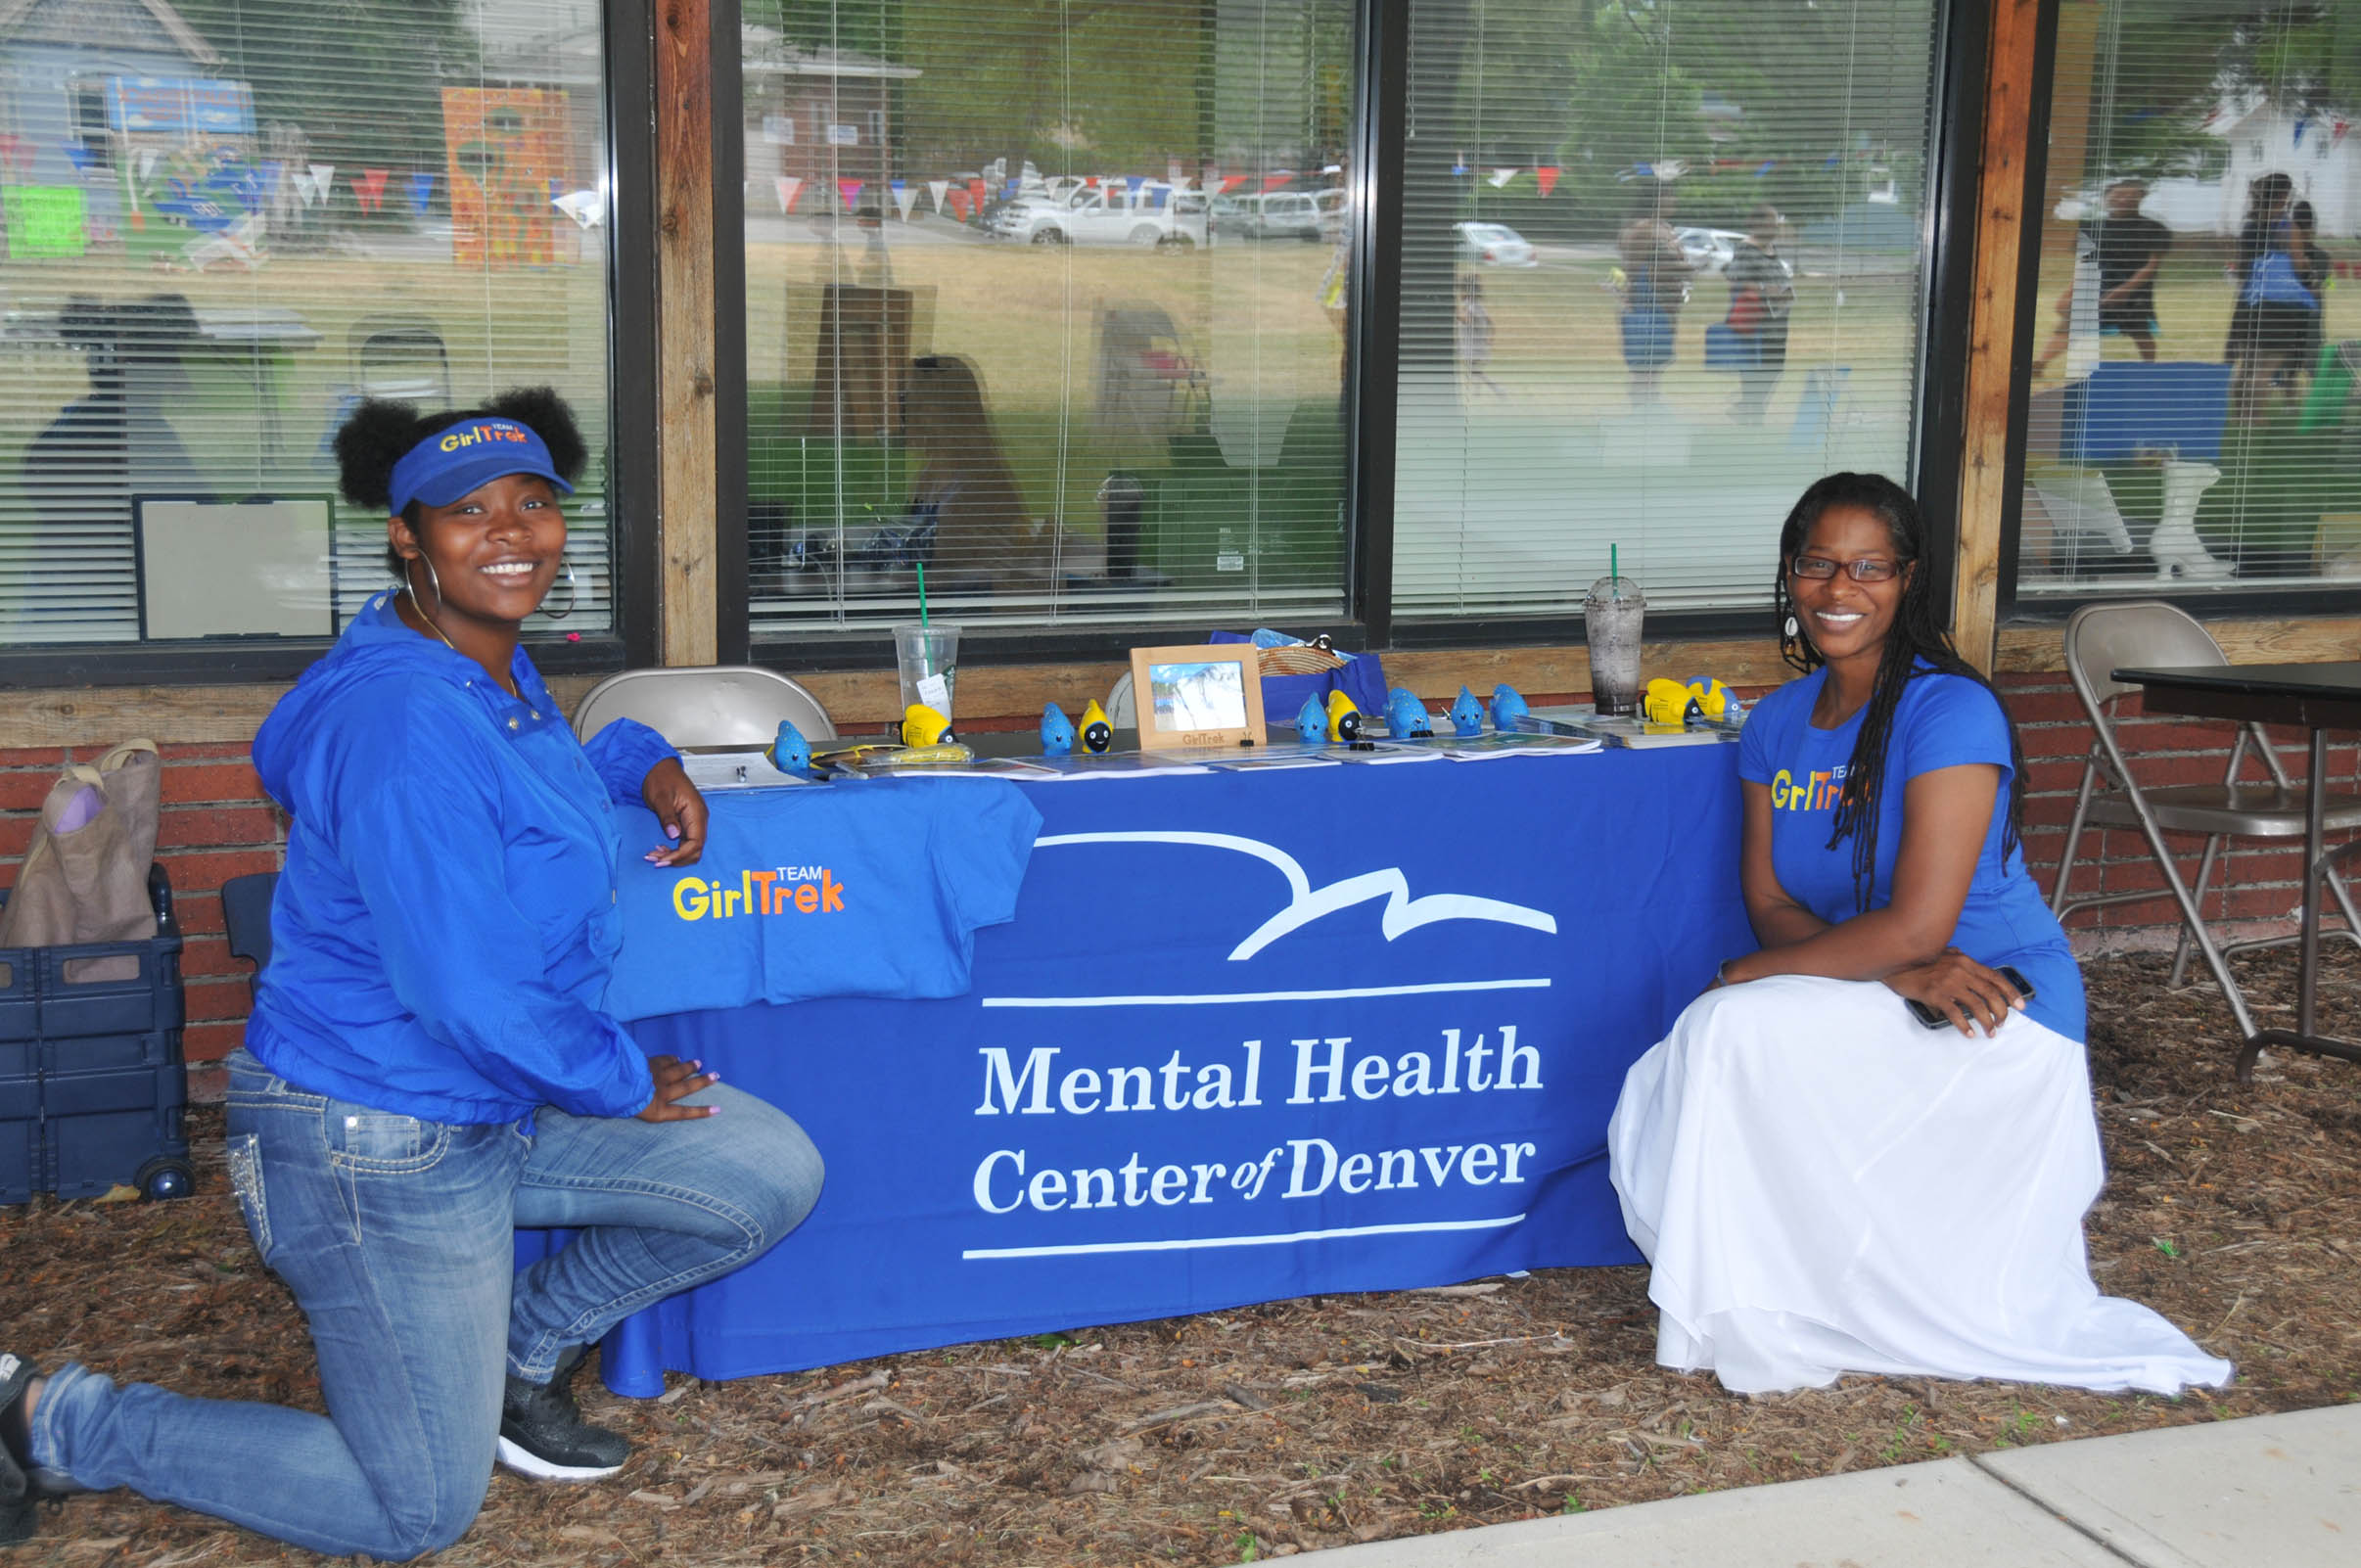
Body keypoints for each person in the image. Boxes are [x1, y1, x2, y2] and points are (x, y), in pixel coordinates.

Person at [0, 390, 825, 1557]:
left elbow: (531, 776)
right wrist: (616, 1078)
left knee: (767, 1172)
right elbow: (469, 991)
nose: (509, 533)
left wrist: (642, 762)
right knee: (412, 1511)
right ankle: (52, 1420)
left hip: (494, 1098)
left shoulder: (471, 659)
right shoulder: (400, 718)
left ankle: (517, 1346)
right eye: (465, 511)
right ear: (407, 533)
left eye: (532, 505)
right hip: (371, 1137)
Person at [1606, 472, 2232, 1398]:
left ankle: (1756, 1308)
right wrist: (1880, 975)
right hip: (1907, 987)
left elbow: (1923, 923)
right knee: (1718, 1036)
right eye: (1818, 563)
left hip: (1998, 1004)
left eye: (1869, 567)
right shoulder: (1776, 722)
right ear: (1791, 573)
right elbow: (1775, 902)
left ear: (1908, 580)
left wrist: (1757, 972)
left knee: (1728, 1024)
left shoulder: (1950, 709)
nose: (1839, 588)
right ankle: (1758, 1300)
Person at [869, 352, 1051, 600]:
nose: (899, 414)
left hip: (971, 606)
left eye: (906, 401)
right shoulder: (931, 474)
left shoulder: (973, 488)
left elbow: (935, 564)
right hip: (942, 595)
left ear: (933, 414)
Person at [2032, 180, 2171, 374]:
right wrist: (2070, 292)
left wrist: (2124, 291)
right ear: (2106, 199)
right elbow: (2085, 264)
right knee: (2070, 323)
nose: (2123, 199)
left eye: (2131, 196)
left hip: (2134, 290)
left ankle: (2149, 367)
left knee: (2139, 329)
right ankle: (2040, 364)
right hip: (2097, 286)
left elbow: (2152, 265)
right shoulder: (2091, 229)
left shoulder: (2154, 228)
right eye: (2118, 195)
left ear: (2140, 199)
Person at [2224, 171, 2303, 422]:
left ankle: (2240, 418)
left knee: (2247, 365)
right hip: (2278, 305)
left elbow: (2241, 265)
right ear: (2283, 195)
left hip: (2249, 300)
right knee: (2266, 369)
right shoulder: (2286, 227)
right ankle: (2256, 421)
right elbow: (2299, 264)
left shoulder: (2249, 226)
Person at [1616, 188, 1691, 404]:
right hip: (1649, 302)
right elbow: (1633, 267)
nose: (1673, 199)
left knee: (1658, 357)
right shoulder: (1643, 230)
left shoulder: (1667, 229)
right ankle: (1641, 403)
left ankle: (1652, 399)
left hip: (1669, 301)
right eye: (1667, 195)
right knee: (1644, 358)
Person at [1723, 206, 1794, 423]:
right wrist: (1765, 289)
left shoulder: (1771, 247)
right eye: (1773, 224)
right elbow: (1735, 278)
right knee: (1756, 367)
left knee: (1775, 367)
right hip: (1757, 320)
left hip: (1777, 318)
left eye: (1777, 224)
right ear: (1759, 225)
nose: (1777, 228)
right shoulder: (1746, 249)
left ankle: (1750, 408)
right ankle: (1751, 412)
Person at [1457, 272, 1503, 397]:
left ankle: (1496, 389)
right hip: (1475, 345)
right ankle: (1478, 392)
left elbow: (1467, 319)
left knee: (1474, 370)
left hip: (1475, 347)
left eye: (1461, 291)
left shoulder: (1471, 306)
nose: (1459, 294)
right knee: (1475, 370)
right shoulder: (1476, 306)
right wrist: (1491, 337)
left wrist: (1454, 311)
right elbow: (1491, 323)